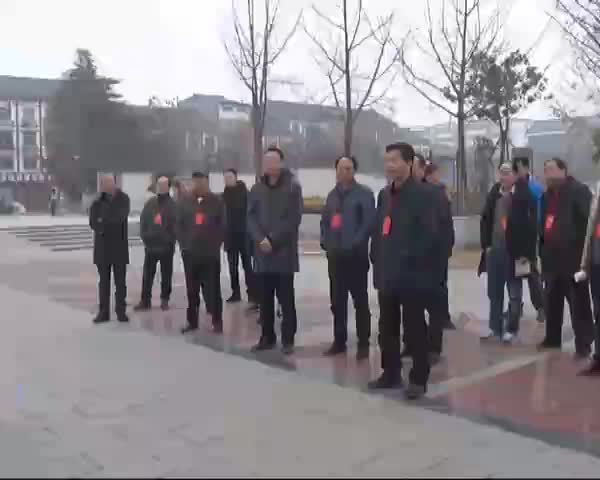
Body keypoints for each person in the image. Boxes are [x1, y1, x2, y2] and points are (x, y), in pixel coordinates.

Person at [369, 142, 443, 400]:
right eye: (387, 160)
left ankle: (418, 379)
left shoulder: (425, 195)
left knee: (414, 328)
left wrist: (410, 260)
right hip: (387, 272)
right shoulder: (385, 195)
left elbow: (429, 236)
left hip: (412, 275)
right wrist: (377, 259)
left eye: (395, 160)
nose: (389, 165)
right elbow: (379, 230)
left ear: (409, 163)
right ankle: (390, 373)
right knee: (387, 327)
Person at [248, 146, 302, 355]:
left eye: (273, 161)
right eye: (266, 161)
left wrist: (272, 239)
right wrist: (259, 238)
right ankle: (267, 337)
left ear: (281, 163)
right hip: (262, 253)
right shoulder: (256, 189)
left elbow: (293, 219)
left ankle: (288, 339)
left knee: (286, 299)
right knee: (265, 299)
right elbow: (250, 217)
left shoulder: (292, 187)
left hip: (283, 253)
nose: (269, 165)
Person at [320, 155, 375, 360]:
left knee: (360, 301)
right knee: (337, 301)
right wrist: (325, 241)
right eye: (341, 168)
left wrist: (354, 244)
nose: (344, 172)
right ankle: (339, 341)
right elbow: (325, 221)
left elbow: (368, 223)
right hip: (335, 257)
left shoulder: (364, 194)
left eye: (349, 168)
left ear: (354, 171)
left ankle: (363, 343)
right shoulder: (332, 196)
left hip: (355, 257)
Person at [538, 158, 594, 358]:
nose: (547, 173)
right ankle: (552, 338)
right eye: (545, 170)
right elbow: (543, 225)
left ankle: (584, 342)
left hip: (574, 258)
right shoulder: (546, 196)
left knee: (578, 303)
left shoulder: (579, 191)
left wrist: (584, 253)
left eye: (551, 169)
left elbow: (589, 222)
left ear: (563, 170)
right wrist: (542, 250)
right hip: (551, 258)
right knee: (552, 301)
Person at [478, 163, 538, 343]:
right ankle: (495, 328)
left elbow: (531, 226)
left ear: (515, 175)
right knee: (494, 292)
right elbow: (485, 220)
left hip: (516, 252)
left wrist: (527, 253)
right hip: (495, 250)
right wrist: (486, 245)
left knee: (514, 293)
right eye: (501, 173)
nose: (503, 177)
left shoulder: (523, 195)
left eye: (507, 173)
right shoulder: (494, 194)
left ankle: (512, 329)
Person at [177, 171, 225, 334]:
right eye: (196, 182)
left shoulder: (216, 202)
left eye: (202, 182)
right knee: (192, 290)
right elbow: (179, 224)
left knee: (213, 289)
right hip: (190, 254)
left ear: (207, 183)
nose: (198, 185)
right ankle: (192, 321)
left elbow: (222, 225)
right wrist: (184, 245)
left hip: (210, 254)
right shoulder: (185, 202)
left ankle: (217, 321)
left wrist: (215, 244)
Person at [89, 174, 131, 324]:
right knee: (104, 283)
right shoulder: (97, 202)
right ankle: (103, 312)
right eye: (105, 183)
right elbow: (93, 222)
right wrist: (104, 222)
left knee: (120, 282)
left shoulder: (123, 199)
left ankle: (121, 311)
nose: (108, 186)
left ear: (115, 183)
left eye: (110, 183)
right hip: (102, 249)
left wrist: (103, 221)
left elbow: (120, 218)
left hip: (119, 247)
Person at [134, 176, 177, 312]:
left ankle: (165, 299)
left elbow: (176, 225)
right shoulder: (151, 203)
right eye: (159, 185)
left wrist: (169, 239)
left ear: (168, 187)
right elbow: (143, 220)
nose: (161, 187)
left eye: (164, 185)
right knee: (147, 275)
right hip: (151, 246)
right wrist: (145, 236)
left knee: (166, 274)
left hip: (166, 247)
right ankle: (145, 300)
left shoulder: (173, 205)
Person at [513, 156, 546, 323]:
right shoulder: (512, 187)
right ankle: (516, 306)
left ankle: (541, 307)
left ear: (526, 168)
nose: (517, 172)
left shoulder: (535, 188)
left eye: (519, 168)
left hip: (531, 237)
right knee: (514, 275)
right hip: (514, 238)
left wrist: (537, 232)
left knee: (531, 273)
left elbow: (539, 212)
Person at [223, 168, 257, 305]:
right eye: (225, 178)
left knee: (247, 266)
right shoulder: (224, 196)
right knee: (232, 267)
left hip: (244, 236)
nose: (227, 180)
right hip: (230, 237)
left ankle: (252, 293)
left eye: (230, 177)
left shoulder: (245, 194)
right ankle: (235, 292)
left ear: (236, 178)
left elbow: (252, 213)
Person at [577, 180, 600, 375]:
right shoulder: (597, 191)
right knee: (598, 310)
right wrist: (585, 261)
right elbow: (590, 230)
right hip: (596, 262)